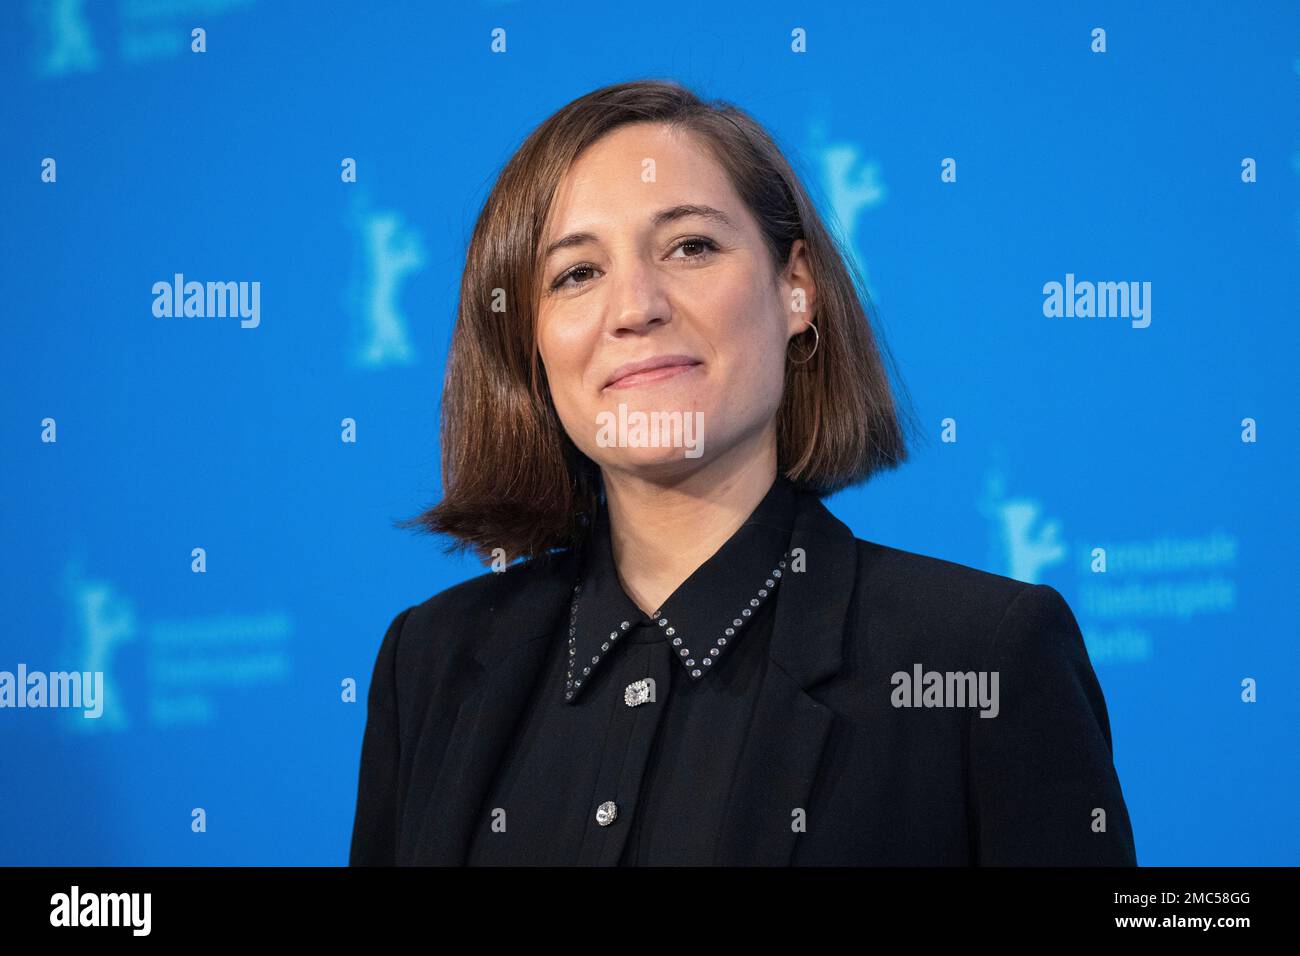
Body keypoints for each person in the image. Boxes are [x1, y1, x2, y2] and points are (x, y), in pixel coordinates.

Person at [348, 78, 1137, 866]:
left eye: (690, 247)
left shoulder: (978, 658)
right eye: (576, 273)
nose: (636, 306)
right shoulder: (432, 662)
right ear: (530, 341)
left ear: (796, 288)